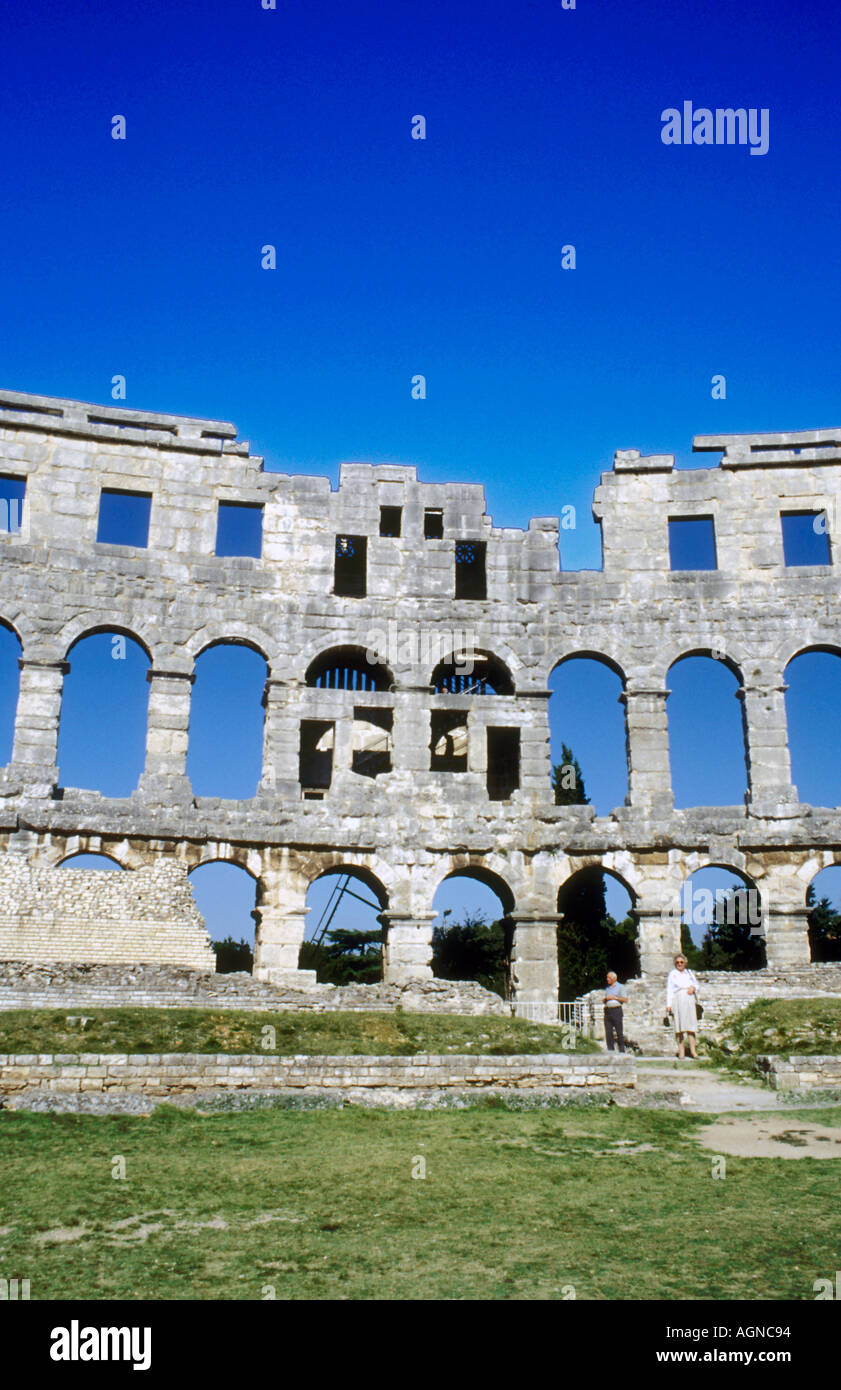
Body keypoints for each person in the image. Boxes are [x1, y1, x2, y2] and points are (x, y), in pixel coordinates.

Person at [666, 953, 700, 1058]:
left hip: (689, 999)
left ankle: (693, 1051)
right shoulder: (673, 974)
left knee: (691, 1026)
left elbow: (697, 984)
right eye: (677, 962)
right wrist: (668, 1004)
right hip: (678, 999)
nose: (679, 964)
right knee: (679, 1027)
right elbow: (669, 989)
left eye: (681, 962)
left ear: (685, 963)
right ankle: (682, 1052)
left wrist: (693, 988)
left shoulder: (689, 973)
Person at [602, 970, 627, 1053]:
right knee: (608, 1032)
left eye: (608, 977)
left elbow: (625, 999)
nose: (607, 979)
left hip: (616, 1010)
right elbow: (604, 1000)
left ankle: (622, 1051)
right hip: (608, 1011)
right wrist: (606, 999)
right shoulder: (607, 988)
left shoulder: (620, 987)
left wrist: (615, 998)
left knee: (619, 1032)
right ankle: (610, 1050)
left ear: (613, 978)